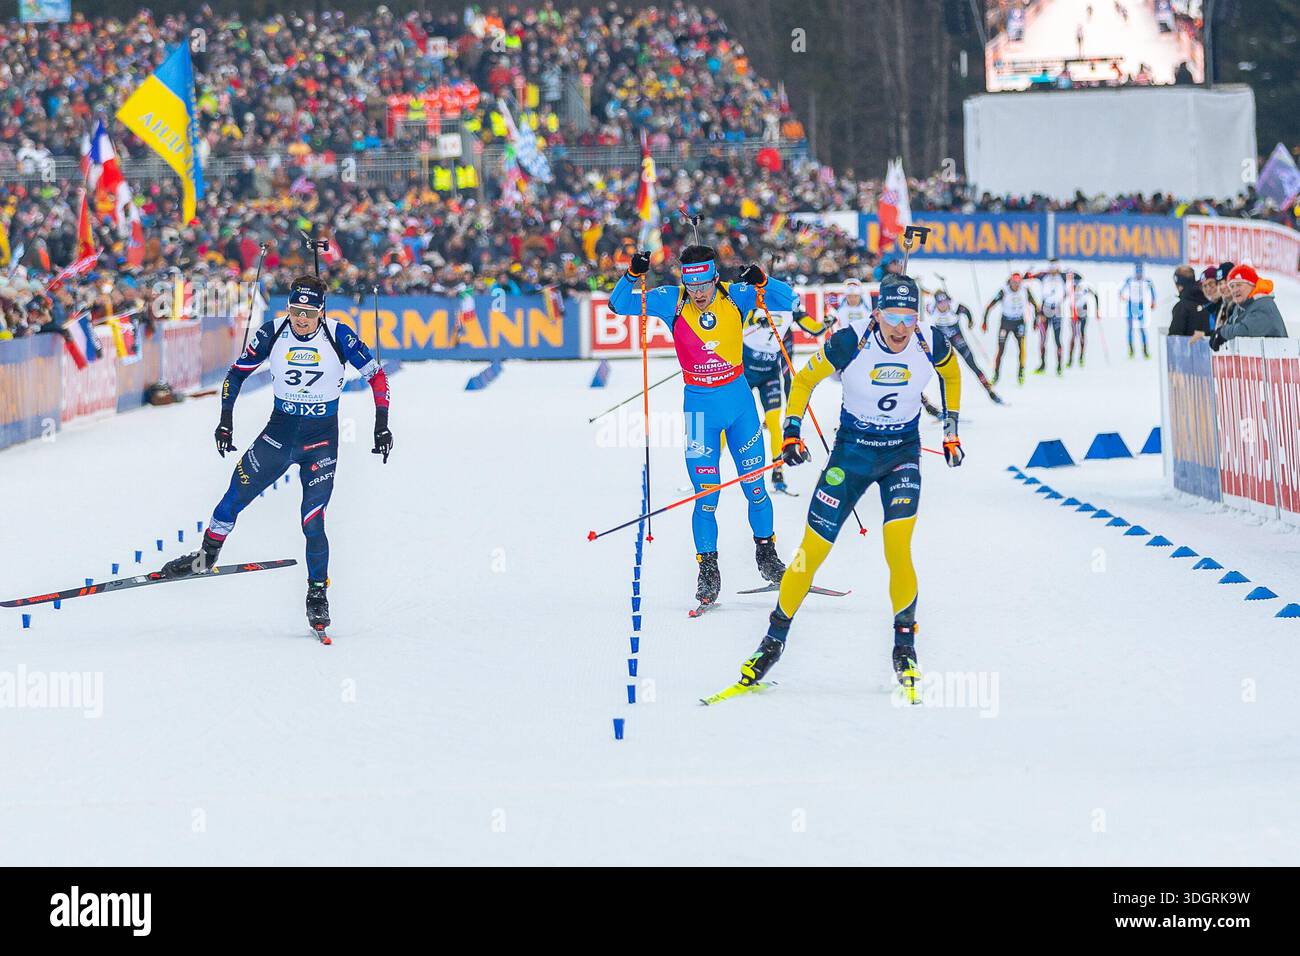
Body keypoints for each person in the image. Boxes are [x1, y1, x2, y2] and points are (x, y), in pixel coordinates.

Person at [733, 274, 964, 698]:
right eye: (891, 317)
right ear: (876, 314)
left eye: (908, 318)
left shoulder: (930, 341)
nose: (900, 328)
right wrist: (791, 431)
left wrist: (950, 431)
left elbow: (952, 377)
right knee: (811, 552)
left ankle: (904, 647)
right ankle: (772, 641)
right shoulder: (848, 341)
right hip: (851, 453)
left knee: (898, 546)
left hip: (901, 454)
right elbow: (802, 381)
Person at [160, 275, 393, 631]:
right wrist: (226, 421)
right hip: (279, 434)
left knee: (312, 521)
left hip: (321, 442)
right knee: (231, 499)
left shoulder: (338, 334)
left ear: (321, 311)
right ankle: (206, 556)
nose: (301, 319)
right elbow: (235, 374)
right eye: (296, 311)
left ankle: (317, 593)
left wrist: (381, 425)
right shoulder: (273, 331)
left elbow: (377, 376)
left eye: (309, 313)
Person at [608, 245, 798, 610]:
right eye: (691, 285)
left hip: (740, 406)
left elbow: (788, 300)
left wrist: (763, 280)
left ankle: (766, 555)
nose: (698, 294)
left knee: (756, 489)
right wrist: (632, 274)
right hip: (699, 412)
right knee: (706, 496)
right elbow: (620, 304)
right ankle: (708, 569)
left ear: (714, 277)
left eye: (704, 285)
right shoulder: (669, 300)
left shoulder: (736, 294)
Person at [741, 297, 825, 495]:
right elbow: (739, 323)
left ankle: (777, 471)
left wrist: (826, 324)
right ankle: (709, 472)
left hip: (769, 374)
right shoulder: (755, 303)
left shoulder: (791, 310)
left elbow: (815, 329)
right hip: (745, 373)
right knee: (732, 420)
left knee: (773, 421)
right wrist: (755, 322)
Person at [926, 288, 1001, 403]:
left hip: (957, 338)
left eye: (945, 302)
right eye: (940, 303)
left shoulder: (955, 307)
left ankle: (990, 391)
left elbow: (967, 311)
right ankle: (941, 403)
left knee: (972, 364)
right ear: (936, 303)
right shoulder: (931, 308)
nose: (943, 305)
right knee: (940, 371)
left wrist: (970, 323)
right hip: (942, 341)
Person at [1025, 259, 1084, 376]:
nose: (1053, 270)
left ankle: (1059, 366)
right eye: (1051, 267)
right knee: (1042, 340)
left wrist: (1069, 271)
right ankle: (1042, 365)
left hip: (1057, 311)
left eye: (1055, 268)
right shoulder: (1044, 275)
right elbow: (1027, 277)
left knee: (1057, 340)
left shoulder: (1062, 276)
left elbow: (1079, 277)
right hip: (1044, 312)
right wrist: (1030, 271)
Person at [1209, 265, 1288, 350]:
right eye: (1232, 286)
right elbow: (1229, 325)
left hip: (1274, 361)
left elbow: (1245, 330)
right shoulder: (1240, 307)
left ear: (1252, 285)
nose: (1235, 290)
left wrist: (1222, 333)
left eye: (1239, 285)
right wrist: (1219, 332)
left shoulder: (1263, 304)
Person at [982, 272, 1039, 385]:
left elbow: (1035, 305)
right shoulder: (1004, 291)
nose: (1016, 285)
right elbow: (990, 306)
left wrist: (1035, 321)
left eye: (1018, 283)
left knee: (1021, 348)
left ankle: (1021, 372)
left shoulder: (1025, 290)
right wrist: (985, 322)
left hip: (1019, 322)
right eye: (1014, 283)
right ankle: (996, 374)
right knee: (1001, 349)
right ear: (1010, 282)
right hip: (1006, 322)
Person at [1119, 262, 1156, 358]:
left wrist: (1153, 302)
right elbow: (1121, 290)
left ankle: (1145, 350)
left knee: (1142, 328)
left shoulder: (1147, 281)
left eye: (1140, 272)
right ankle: (1131, 350)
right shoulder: (1130, 280)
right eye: (1137, 272)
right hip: (1131, 305)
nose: (1139, 274)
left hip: (1140, 305)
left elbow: (1153, 291)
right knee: (1131, 328)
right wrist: (1121, 296)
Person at [1168, 265, 1212, 337]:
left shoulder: (1181, 307)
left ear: (1179, 286)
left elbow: (1175, 338)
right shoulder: (1210, 301)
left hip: (1189, 347)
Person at [1067, 279, 1099, 367]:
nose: (1077, 288)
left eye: (1078, 286)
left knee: (1082, 334)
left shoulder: (1084, 289)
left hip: (1083, 314)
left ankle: (1081, 357)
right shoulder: (1070, 289)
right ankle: (1070, 359)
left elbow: (1095, 295)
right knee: (1074, 335)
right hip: (1074, 314)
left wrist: (1097, 310)